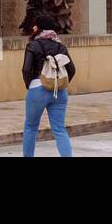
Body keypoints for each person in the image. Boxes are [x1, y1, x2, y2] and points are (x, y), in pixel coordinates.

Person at [21, 14, 75, 158]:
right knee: (59, 129)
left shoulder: (33, 45)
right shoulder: (60, 46)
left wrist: (30, 85)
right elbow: (72, 70)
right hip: (60, 91)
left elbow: (26, 70)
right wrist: (61, 84)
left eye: (35, 25)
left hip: (37, 89)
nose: (33, 27)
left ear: (39, 28)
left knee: (30, 128)